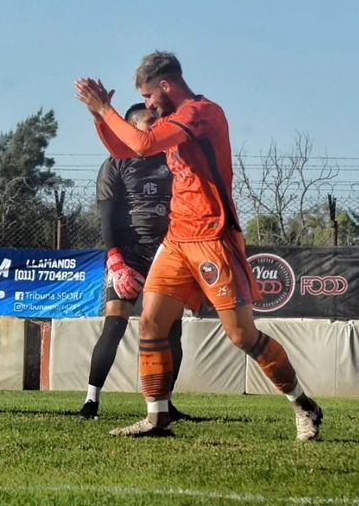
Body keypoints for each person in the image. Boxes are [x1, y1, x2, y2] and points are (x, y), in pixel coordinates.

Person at [75, 51, 323, 440]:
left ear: (166, 85)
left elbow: (140, 144)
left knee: (241, 335)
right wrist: (98, 115)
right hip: (177, 238)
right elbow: (124, 149)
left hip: (213, 235)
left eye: (149, 95)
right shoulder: (170, 118)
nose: (149, 104)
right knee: (152, 323)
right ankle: (157, 417)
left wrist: (106, 108)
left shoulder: (202, 113)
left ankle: (303, 405)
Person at [80, 103, 191, 423]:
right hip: (128, 255)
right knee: (115, 323)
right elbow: (106, 217)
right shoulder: (115, 163)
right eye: (149, 122)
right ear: (129, 126)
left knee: (172, 332)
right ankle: (91, 400)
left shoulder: (171, 158)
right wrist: (116, 261)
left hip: (166, 253)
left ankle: (164, 405)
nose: (156, 126)